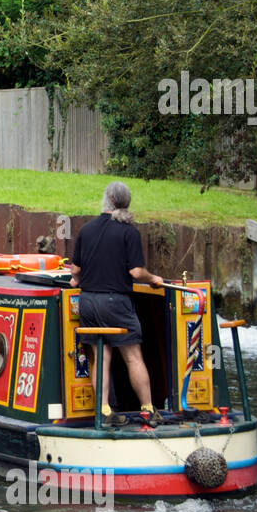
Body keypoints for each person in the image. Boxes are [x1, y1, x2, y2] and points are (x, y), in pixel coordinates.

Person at [67, 181, 164, 427]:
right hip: (116, 303)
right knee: (133, 357)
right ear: (126, 203)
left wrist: (76, 278)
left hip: (88, 302)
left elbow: (75, 270)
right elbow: (135, 271)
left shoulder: (86, 230)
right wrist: (153, 279)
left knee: (101, 358)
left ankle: (104, 412)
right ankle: (148, 410)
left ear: (106, 200)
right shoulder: (129, 232)